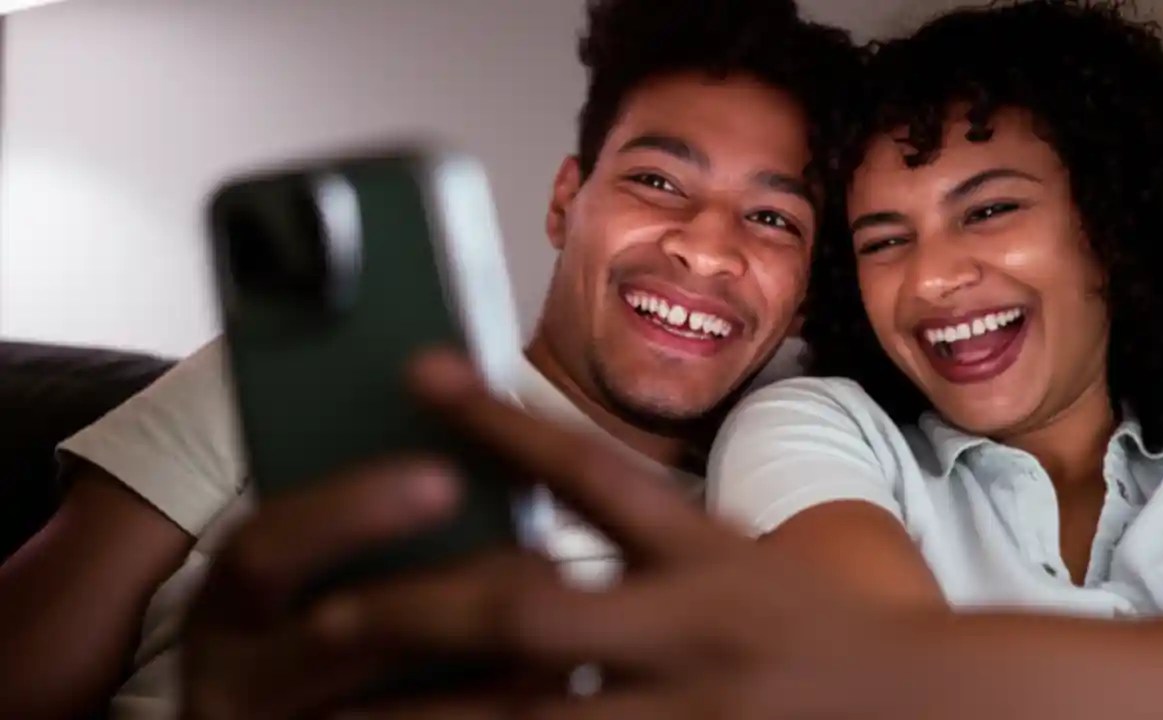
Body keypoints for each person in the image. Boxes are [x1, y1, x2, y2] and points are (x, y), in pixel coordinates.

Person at [181, 2, 1163, 718]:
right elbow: (876, 669)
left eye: (985, 210)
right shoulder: (815, 424)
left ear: (1113, 224)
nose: (932, 276)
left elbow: (887, 678)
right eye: (881, 240)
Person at [0, 1, 855, 717]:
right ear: (567, 202)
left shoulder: (788, 530)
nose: (706, 250)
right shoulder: (299, 371)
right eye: (658, 182)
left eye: (774, 219)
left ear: (807, 293)